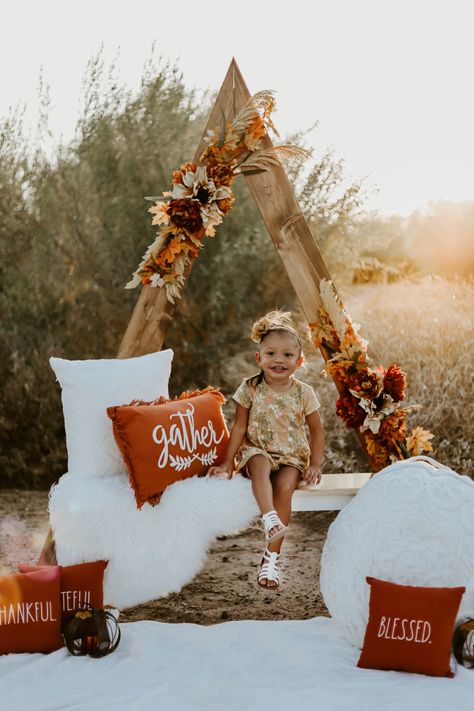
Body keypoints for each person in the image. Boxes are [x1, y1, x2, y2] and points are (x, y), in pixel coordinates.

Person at [208, 310, 325, 589]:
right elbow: (238, 427)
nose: (279, 360)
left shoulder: (304, 392)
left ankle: (270, 560)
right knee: (259, 462)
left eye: (287, 355)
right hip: (255, 450)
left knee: (285, 486)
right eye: (271, 353)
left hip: (290, 457)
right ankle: (269, 518)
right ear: (258, 358)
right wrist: (227, 462)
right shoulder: (249, 388)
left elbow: (318, 431)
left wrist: (315, 464)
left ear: (299, 360)